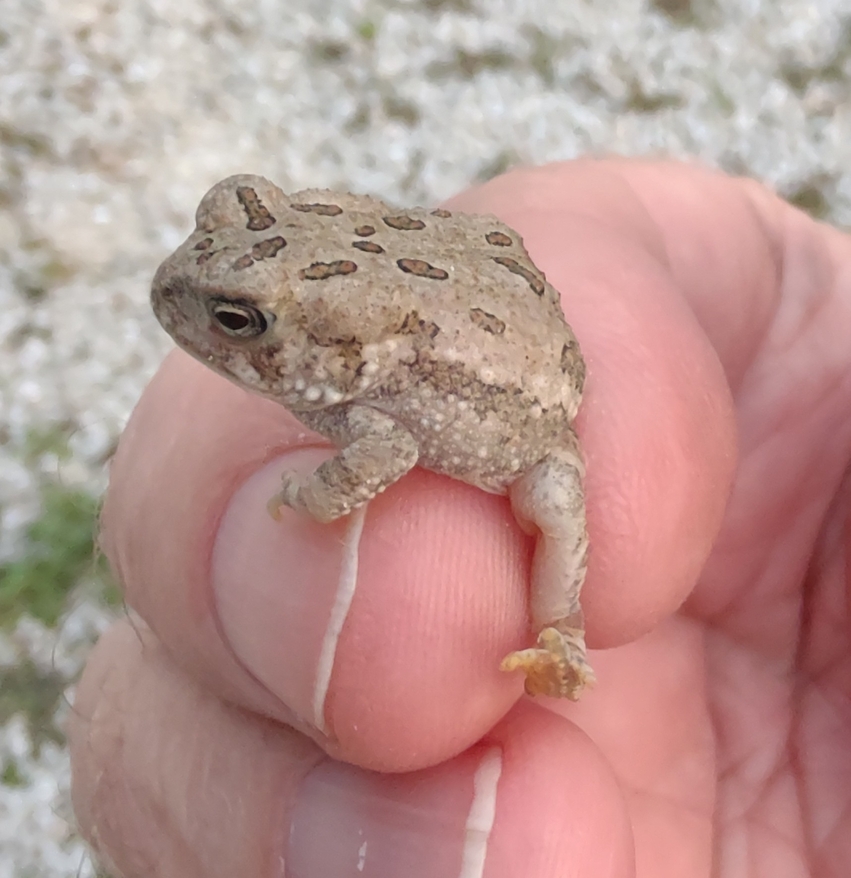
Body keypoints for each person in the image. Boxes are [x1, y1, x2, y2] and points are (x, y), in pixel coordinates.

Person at [69, 160, 851, 877]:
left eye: (237, 321)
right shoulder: (353, 366)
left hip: (526, 407)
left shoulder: (361, 394)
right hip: (473, 317)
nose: (185, 300)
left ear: (332, 353)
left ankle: (560, 630)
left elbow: (386, 449)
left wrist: (313, 498)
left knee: (555, 502)